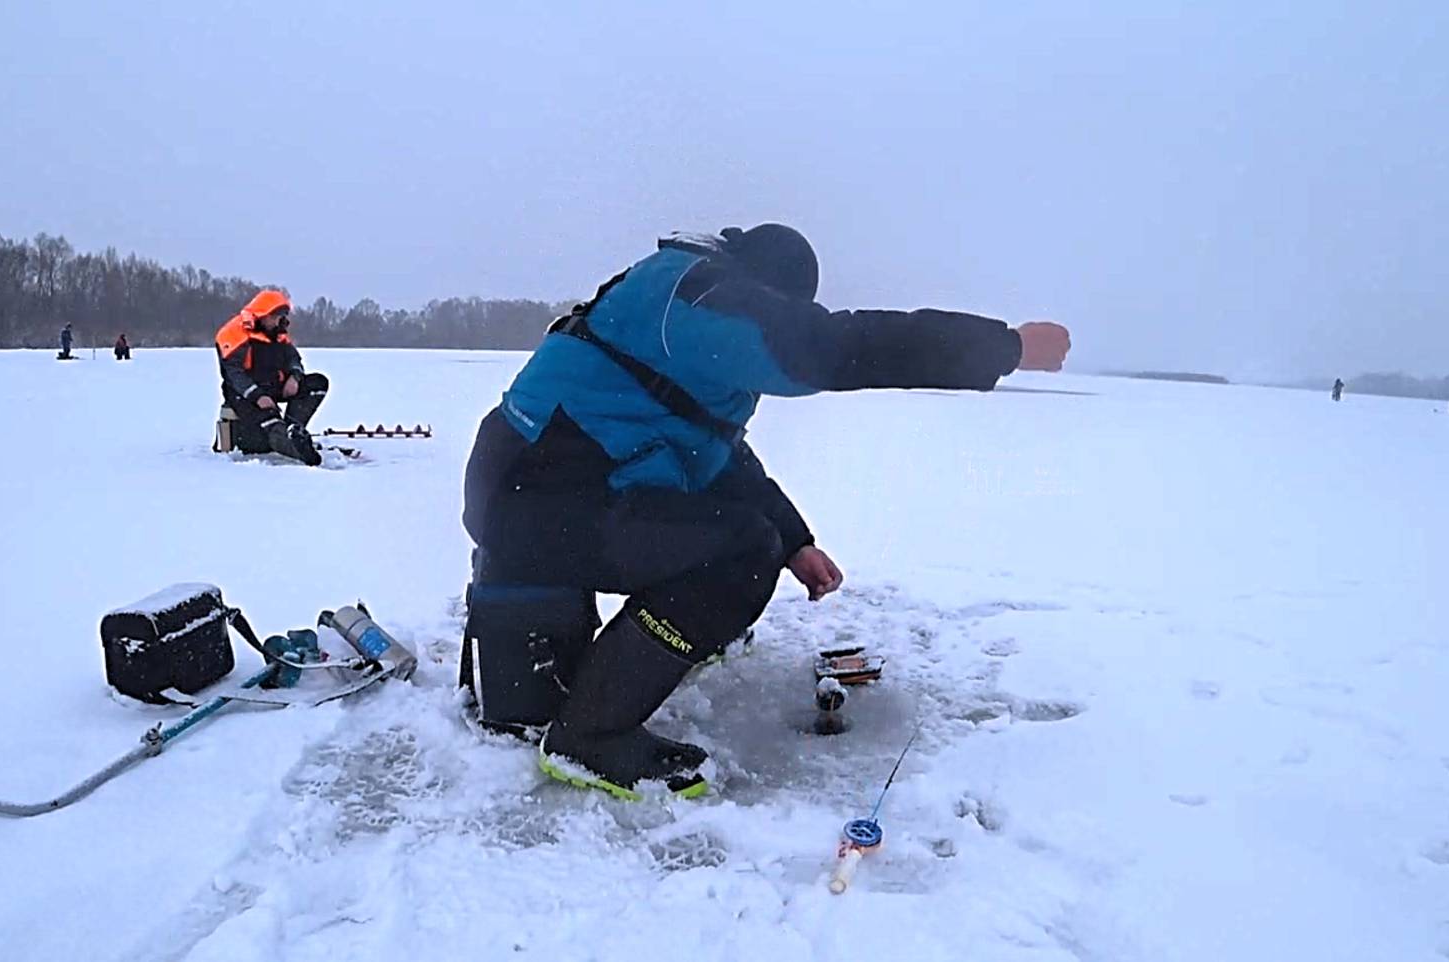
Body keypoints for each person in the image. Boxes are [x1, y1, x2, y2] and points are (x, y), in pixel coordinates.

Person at [459, 224, 1071, 798]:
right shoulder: (701, 299)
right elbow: (835, 347)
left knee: (753, 539)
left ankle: (657, 649)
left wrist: (795, 539)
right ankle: (589, 736)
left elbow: (717, 458)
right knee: (741, 553)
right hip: (535, 497)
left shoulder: (678, 311)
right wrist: (1005, 347)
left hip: (535, 491)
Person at [215, 290, 329, 466]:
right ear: (265, 315)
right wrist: (257, 396)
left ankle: (294, 429)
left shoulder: (277, 332)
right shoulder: (234, 333)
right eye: (278, 316)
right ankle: (296, 448)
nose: (282, 321)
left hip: (273, 385)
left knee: (317, 384)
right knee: (271, 422)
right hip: (244, 394)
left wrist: (295, 377)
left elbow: (294, 359)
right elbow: (233, 373)